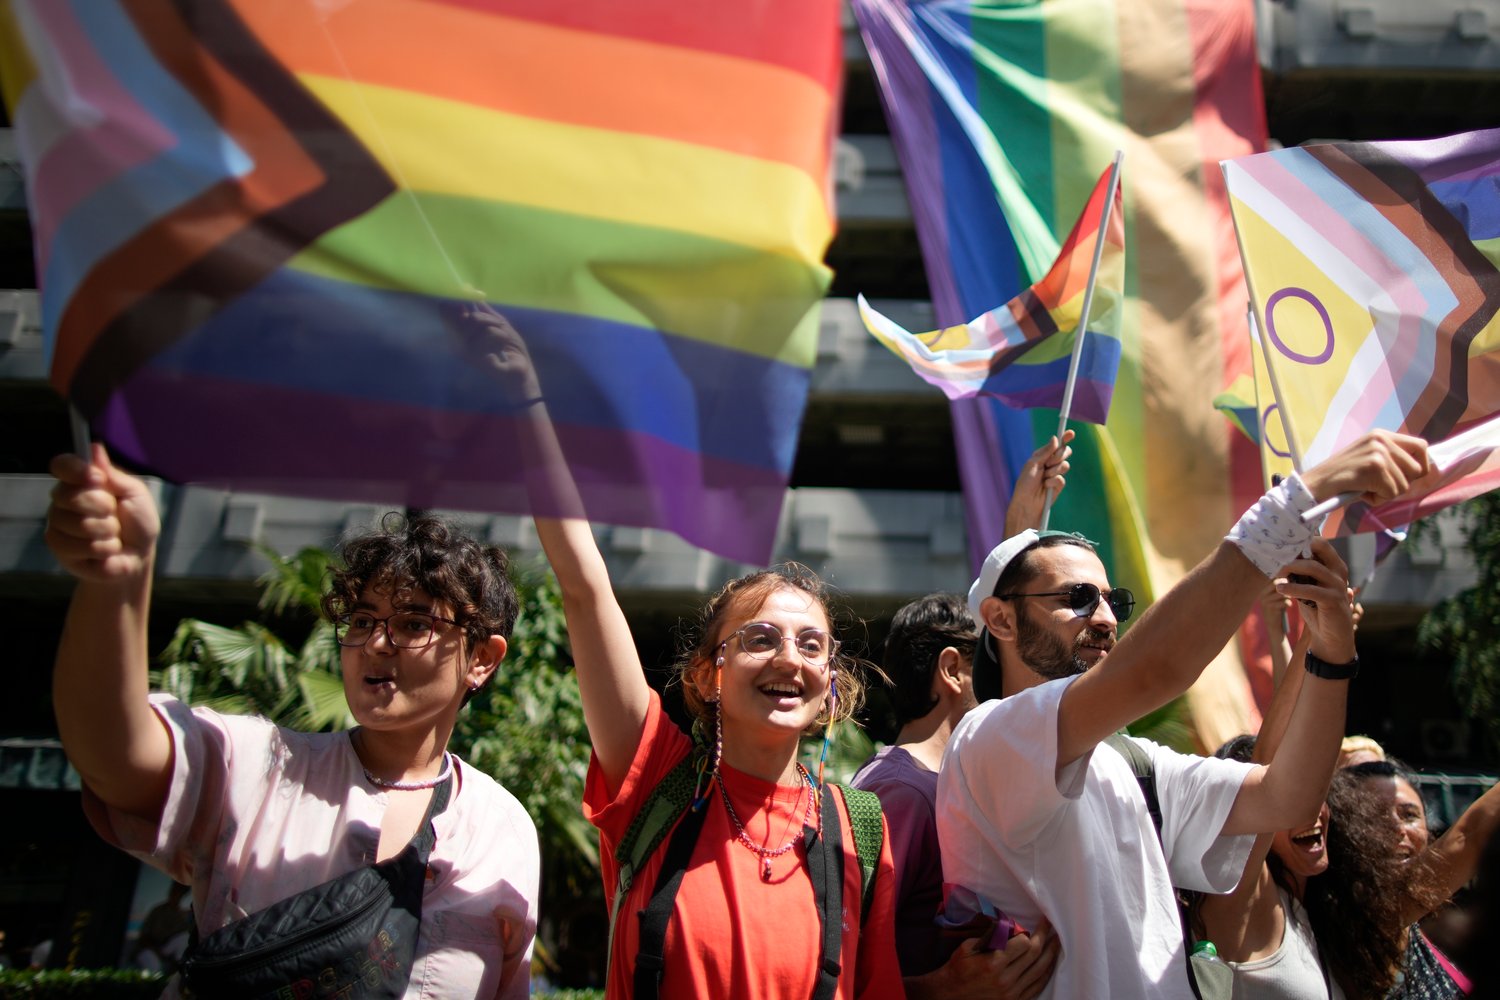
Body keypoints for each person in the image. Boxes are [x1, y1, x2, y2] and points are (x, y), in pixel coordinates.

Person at [456, 304, 906, 998]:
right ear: (707, 674)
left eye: (811, 645)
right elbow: (585, 588)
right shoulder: (654, 782)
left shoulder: (859, 829)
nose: (790, 658)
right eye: (760, 638)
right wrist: (528, 401)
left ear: (830, 683)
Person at [936, 430, 1430, 999]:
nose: (1106, 619)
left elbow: (1287, 798)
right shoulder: (989, 738)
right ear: (1000, 620)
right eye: (1077, 598)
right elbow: (1156, 669)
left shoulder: (1132, 762)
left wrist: (1331, 654)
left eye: (1114, 601)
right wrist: (1298, 500)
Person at [45, 448, 539, 998]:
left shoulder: (502, 828)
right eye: (362, 620)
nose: (376, 643)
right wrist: (116, 582)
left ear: (482, 659)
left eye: (413, 623)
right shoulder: (260, 765)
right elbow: (114, 754)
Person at [849, 435, 1069, 999]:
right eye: (990, 657)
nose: (1009, 671)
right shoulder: (900, 793)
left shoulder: (946, 779)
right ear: (952, 670)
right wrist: (942, 989)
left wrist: (1020, 530)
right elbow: (839, 952)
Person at [1308, 758, 1499, 998]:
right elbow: (1470, 834)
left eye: (1409, 815)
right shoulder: (1352, 922)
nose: (1398, 829)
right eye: (1375, 816)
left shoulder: (1436, 934)